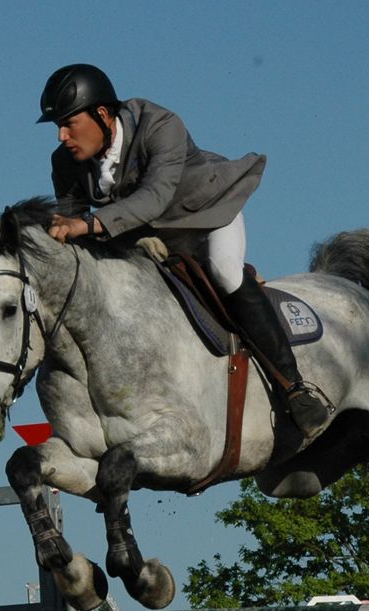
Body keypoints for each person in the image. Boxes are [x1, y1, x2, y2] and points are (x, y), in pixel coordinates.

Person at [37, 63, 329, 437]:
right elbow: (71, 221)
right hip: (146, 237)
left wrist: (89, 225)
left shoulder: (160, 125)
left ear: (103, 114)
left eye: (68, 123)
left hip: (207, 215)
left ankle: (295, 387)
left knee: (224, 270)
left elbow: (155, 197)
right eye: (57, 127)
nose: (61, 136)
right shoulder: (65, 162)